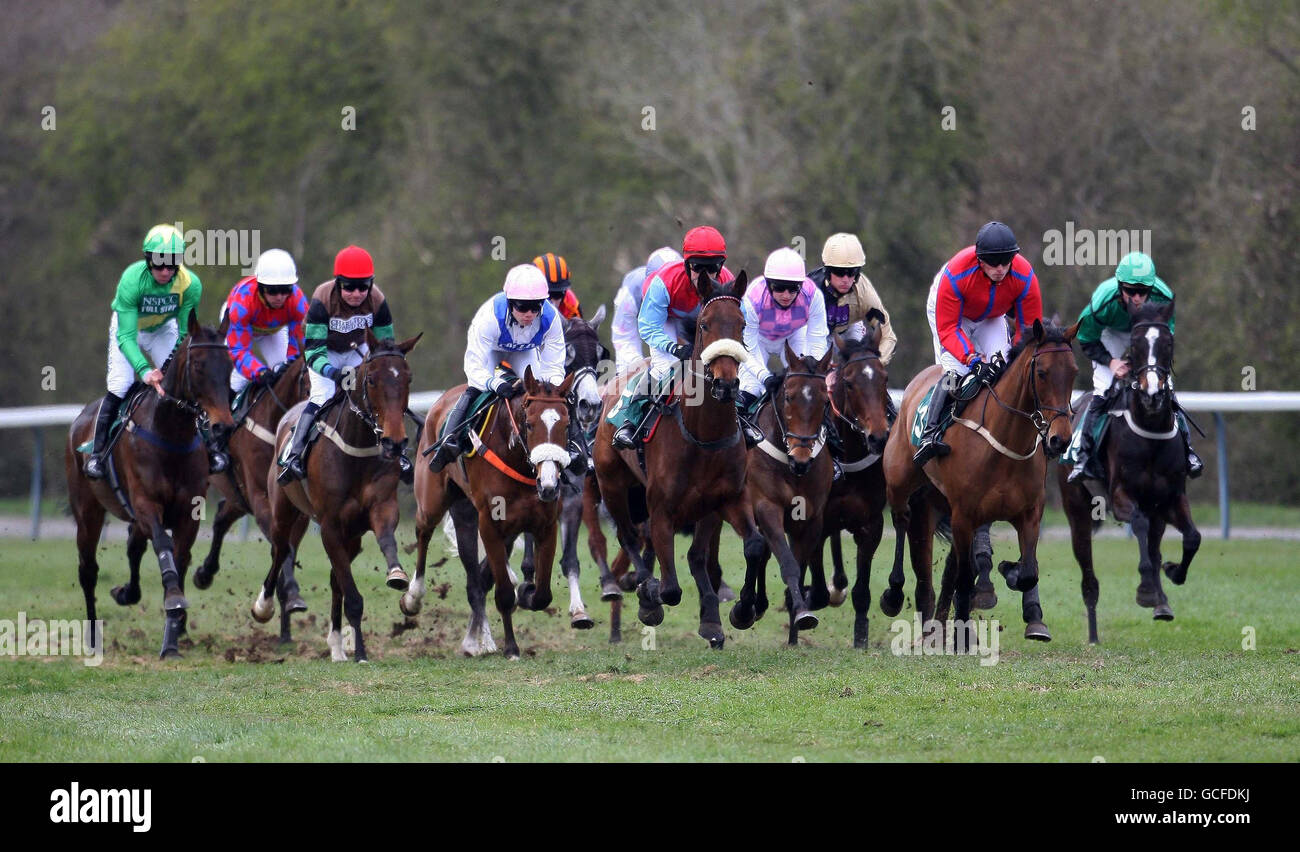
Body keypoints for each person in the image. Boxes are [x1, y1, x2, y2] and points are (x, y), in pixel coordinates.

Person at [86, 223, 226, 479]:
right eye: (158, 263)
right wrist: (145, 370)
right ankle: (98, 454)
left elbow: (185, 334)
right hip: (130, 329)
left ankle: (212, 448)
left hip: (162, 329)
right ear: (147, 260)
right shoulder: (131, 279)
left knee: (185, 382)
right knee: (121, 384)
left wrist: (168, 367)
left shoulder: (190, 284)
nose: (164, 270)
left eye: (171, 263)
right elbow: (126, 337)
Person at [913, 221, 1044, 465]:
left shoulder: (1025, 275)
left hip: (991, 316)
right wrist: (973, 360)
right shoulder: (956, 273)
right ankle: (930, 434)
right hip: (951, 317)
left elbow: (1028, 332)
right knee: (956, 373)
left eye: (1006, 263)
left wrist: (1016, 359)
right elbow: (948, 329)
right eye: (994, 264)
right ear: (979, 260)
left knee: (1005, 370)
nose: (1001, 269)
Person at [1069, 251, 1202, 482]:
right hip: (1109, 335)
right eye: (1131, 291)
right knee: (1102, 390)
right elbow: (1086, 337)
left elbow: (1163, 340)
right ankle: (1083, 455)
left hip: (1147, 333)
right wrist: (1111, 362)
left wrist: (1140, 362)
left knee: (1165, 388)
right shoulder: (1103, 301)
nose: (1137, 297)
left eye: (1143, 291)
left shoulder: (1163, 296)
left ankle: (1188, 452)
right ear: (1120, 286)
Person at [427, 264, 573, 472]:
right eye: (522, 306)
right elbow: (474, 367)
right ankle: (449, 439)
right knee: (476, 389)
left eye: (536, 306)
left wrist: (554, 391)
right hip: (491, 352)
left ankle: (573, 445)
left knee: (546, 392)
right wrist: (494, 383)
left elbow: (554, 366)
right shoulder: (489, 318)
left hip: (524, 351)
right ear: (510, 301)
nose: (530, 314)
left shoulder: (551, 318)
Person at [278, 245, 401, 483]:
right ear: (337, 284)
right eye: (349, 287)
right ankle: (294, 454)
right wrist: (333, 373)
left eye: (363, 286)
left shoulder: (377, 299)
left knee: (381, 394)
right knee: (322, 396)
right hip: (326, 352)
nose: (356, 293)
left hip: (358, 351)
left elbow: (386, 346)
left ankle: (397, 452)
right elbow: (313, 351)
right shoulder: (322, 299)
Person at [611, 226, 736, 450]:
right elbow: (648, 327)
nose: (706, 276)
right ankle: (629, 418)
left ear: (722, 266)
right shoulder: (664, 282)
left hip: (696, 319)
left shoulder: (728, 282)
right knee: (664, 368)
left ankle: (739, 417)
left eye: (713, 267)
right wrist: (674, 348)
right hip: (663, 319)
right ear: (687, 264)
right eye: (698, 267)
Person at [737, 247, 829, 449]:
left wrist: (812, 374)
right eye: (779, 287)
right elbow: (747, 351)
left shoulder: (814, 296)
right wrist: (765, 376)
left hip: (794, 334)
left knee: (808, 385)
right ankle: (739, 437)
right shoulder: (752, 299)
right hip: (759, 339)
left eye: (793, 288)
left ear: (801, 285)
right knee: (753, 385)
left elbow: (817, 339)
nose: (786, 294)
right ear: (768, 284)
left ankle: (831, 445)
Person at [222, 248, 308, 397]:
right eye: (273, 290)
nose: (279, 297)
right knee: (236, 381)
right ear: (260, 287)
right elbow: (239, 351)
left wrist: (288, 365)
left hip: (272, 331)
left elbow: (298, 345)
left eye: (285, 289)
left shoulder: (298, 302)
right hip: (239, 326)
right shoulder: (242, 304)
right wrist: (260, 372)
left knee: (284, 374)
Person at [809, 232, 898, 364]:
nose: (846, 279)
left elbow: (888, 336)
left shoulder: (865, 292)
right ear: (827, 270)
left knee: (859, 366)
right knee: (817, 368)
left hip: (849, 328)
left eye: (852, 272)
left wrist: (875, 363)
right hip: (815, 333)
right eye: (839, 272)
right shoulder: (810, 288)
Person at [611, 246, 681, 375]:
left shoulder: (688, 288)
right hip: (630, 318)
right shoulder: (631, 292)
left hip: (669, 318)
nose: (664, 292)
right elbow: (623, 336)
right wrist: (637, 366)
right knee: (632, 372)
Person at [533, 252, 583, 319]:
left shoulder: (572, 307)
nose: (552, 303)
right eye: (547, 295)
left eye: (557, 295)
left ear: (565, 292)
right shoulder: (518, 301)